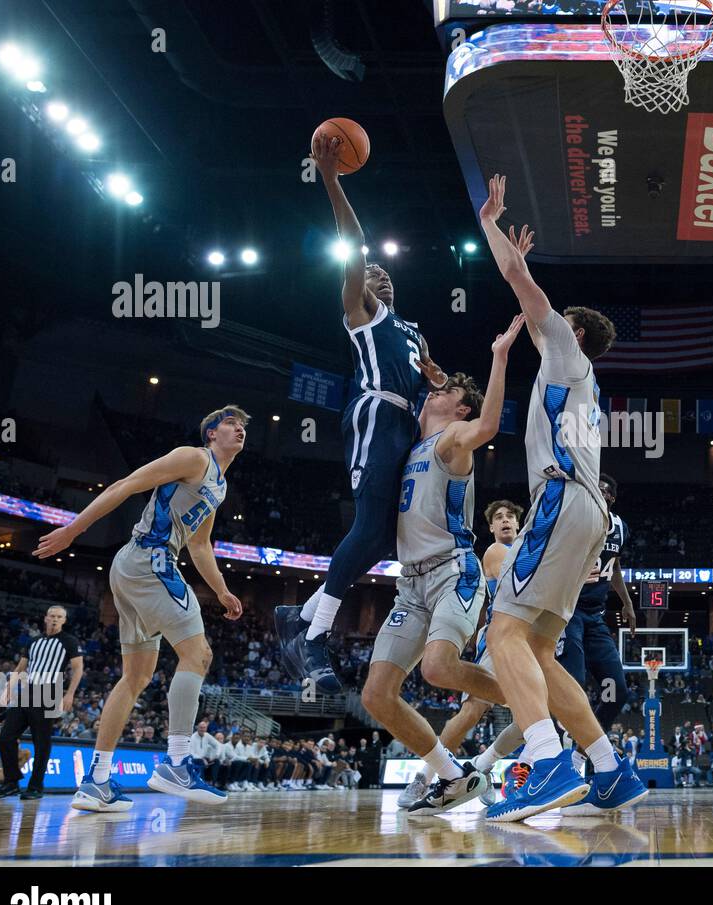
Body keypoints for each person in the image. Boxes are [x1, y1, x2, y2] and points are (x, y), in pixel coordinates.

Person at [474, 173, 646, 821]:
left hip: (562, 501)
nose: (547, 323)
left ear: (572, 329)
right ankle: (607, 768)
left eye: (557, 320)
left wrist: (493, 227)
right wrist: (510, 256)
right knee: (540, 649)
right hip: (588, 515)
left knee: (503, 633)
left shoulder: (569, 352)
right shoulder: (570, 376)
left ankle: (546, 761)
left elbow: (522, 285)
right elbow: (523, 286)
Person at [274, 130, 449, 694]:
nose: (380, 274)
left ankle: (301, 620)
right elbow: (354, 243)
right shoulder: (364, 315)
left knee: (383, 540)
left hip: (408, 426)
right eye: (370, 273)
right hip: (374, 414)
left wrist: (440, 380)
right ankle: (313, 635)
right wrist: (330, 181)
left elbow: (441, 384)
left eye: (384, 273)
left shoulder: (415, 331)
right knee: (369, 526)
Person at [34, 406, 249, 811]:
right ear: (210, 433)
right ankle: (177, 762)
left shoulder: (218, 485)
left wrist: (220, 591)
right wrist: (73, 530)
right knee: (198, 654)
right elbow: (127, 483)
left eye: (242, 425)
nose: (239, 428)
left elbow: (200, 545)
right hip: (150, 559)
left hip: (135, 567)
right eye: (230, 422)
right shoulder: (194, 458)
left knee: (136, 677)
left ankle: (96, 781)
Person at [361, 320, 522, 816]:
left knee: (437, 668)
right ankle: (454, 775)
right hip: (409, 584)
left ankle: (534, 705)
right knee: (376, 696)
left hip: (454, 570)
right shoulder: (411, 442)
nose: (437, 390)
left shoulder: (453, 438)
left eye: (449, 390)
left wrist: (498, 357)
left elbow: (490, 427)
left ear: (460, 408)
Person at [402, 499, 529, 809]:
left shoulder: (526, 550)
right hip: (499, 638)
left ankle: (482, 765)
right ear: (491, 527)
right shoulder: (496, 552)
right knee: (472, 711)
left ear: (518, 522)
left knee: (532, 718)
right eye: (498, 517)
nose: (505, 521)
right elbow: (517, 589)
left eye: (510, 516)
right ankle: (425, 775)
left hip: (527, 639)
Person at [556, 473, 635, 736]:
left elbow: (614, 566)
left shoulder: (620, 528)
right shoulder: (574, 521)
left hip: (595, 617)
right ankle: (554, 747)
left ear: (611, 497)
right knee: (573, 683)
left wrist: (627, 603)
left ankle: (585, 749)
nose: (595, 493)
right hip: (568, 613)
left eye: (602, 490)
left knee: (617, 690)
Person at [0, 605, 82, 800]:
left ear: (64, 621)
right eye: (52, 616)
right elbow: (21, 667)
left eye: (59, 617)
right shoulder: (34, 641)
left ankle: (36, 786)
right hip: (27, 691)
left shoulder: (69, 641)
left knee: (41, 742)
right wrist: (8, 688)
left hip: (50, 692)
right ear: (45, 618)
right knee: (6, 736)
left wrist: (69, 694)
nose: (55, 619)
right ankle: (11, 782)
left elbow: (78, 669)